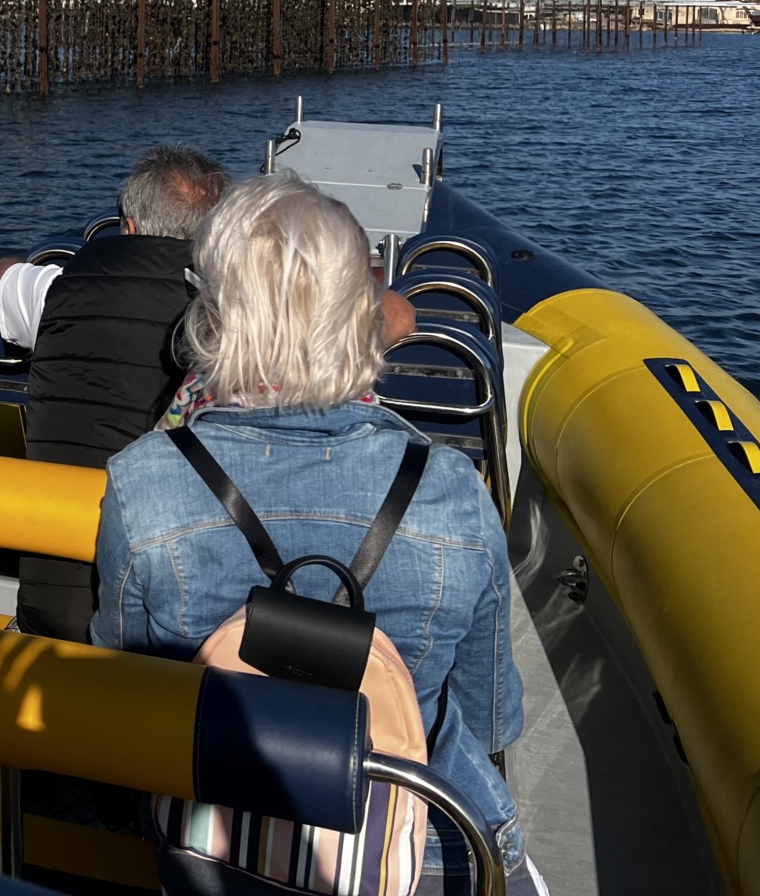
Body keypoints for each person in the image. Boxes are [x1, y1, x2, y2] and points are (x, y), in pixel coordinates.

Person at [92, 172, 531, 893]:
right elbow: (487, 722)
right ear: (358, 310)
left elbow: (124, 680)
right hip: (408, 851)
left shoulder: (143, 483)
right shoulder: (451, 491)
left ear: (215, 309)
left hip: (218, 847)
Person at [0, 144, 231, 640]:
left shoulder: (57, 289)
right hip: (159, 624)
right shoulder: (229, 317)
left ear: (128, 227)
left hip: (47, 609)